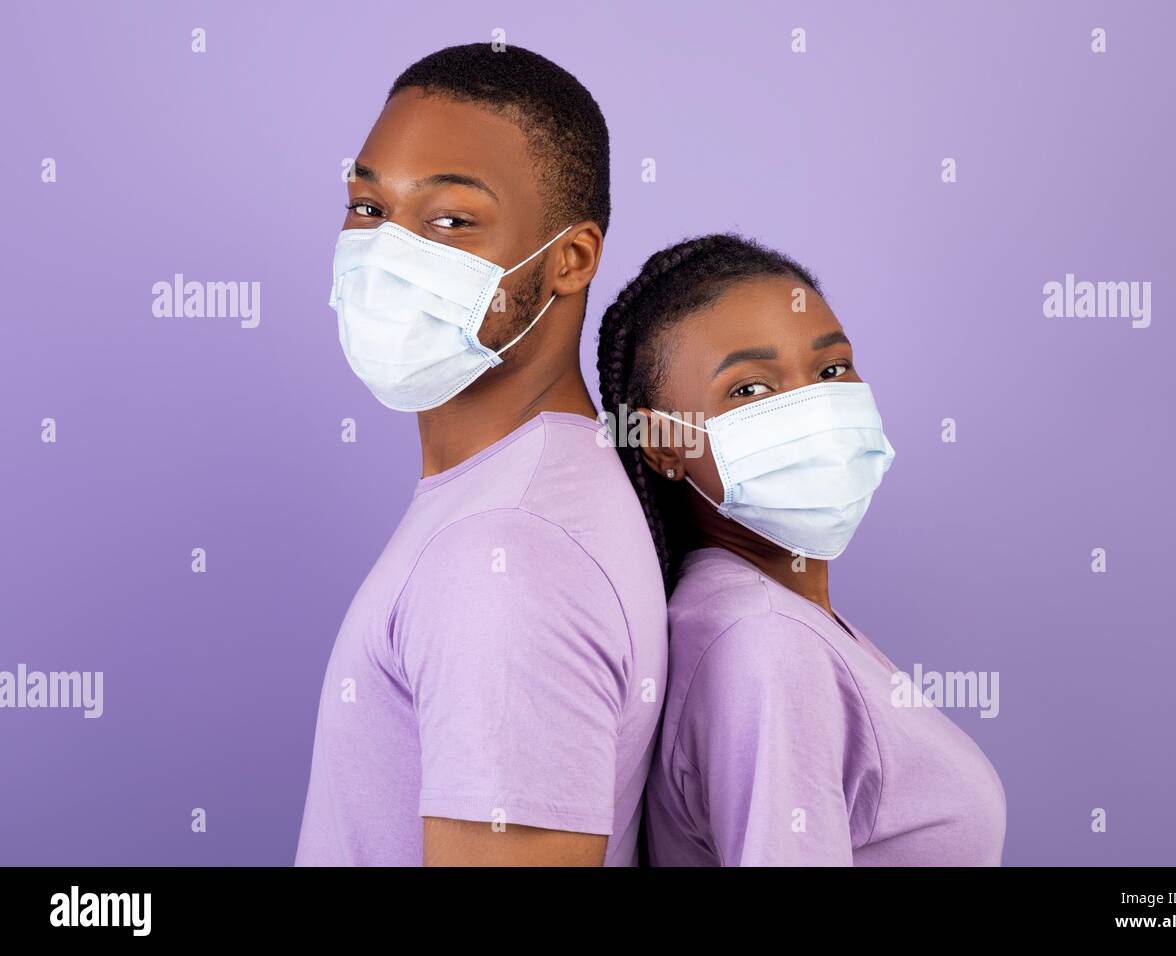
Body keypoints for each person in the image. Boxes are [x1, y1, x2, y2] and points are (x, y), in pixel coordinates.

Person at [294, 45, 667, 866]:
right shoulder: (508, 497)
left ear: (570, 260)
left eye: (451, 221)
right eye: (367, 208)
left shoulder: (509, 556)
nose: (387, 253)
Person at [595, 233, 1006, 865]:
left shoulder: (766, 620)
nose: (813, 405)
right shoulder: (766, 644)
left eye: (832, 370)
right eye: (750, 390)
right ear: (661, 444)